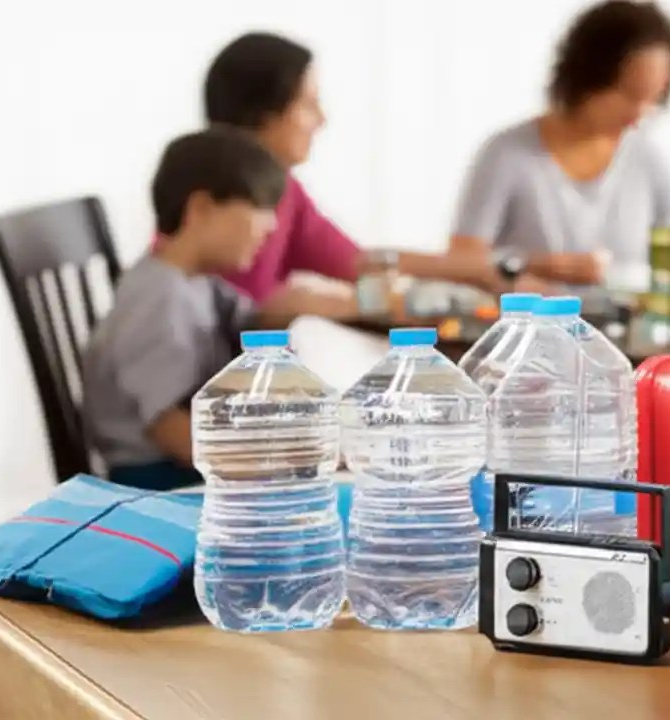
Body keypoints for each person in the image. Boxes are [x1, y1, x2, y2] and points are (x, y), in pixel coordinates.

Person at [201, 32, 512, 311]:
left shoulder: (283, 190)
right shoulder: (216, 194)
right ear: (265, 114)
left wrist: (486, 270)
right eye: (309, 105)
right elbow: (255, 306)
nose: (322, 120)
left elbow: (358, 263)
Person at [85, 128, 296, 490]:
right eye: (261, 208)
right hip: (156, 481)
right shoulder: (158, 299)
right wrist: (278, 466)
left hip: (178, 468)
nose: (272, 226)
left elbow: (254, 320)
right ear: (201, 209)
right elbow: (173, 434)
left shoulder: (195, 281)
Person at [449, 0, 670, 288]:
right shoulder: (507, 154)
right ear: (587, 75)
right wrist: (540, 265)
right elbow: (460, 262)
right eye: (628, 95)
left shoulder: (647, 159)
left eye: (652, 100)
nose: (639, 113)